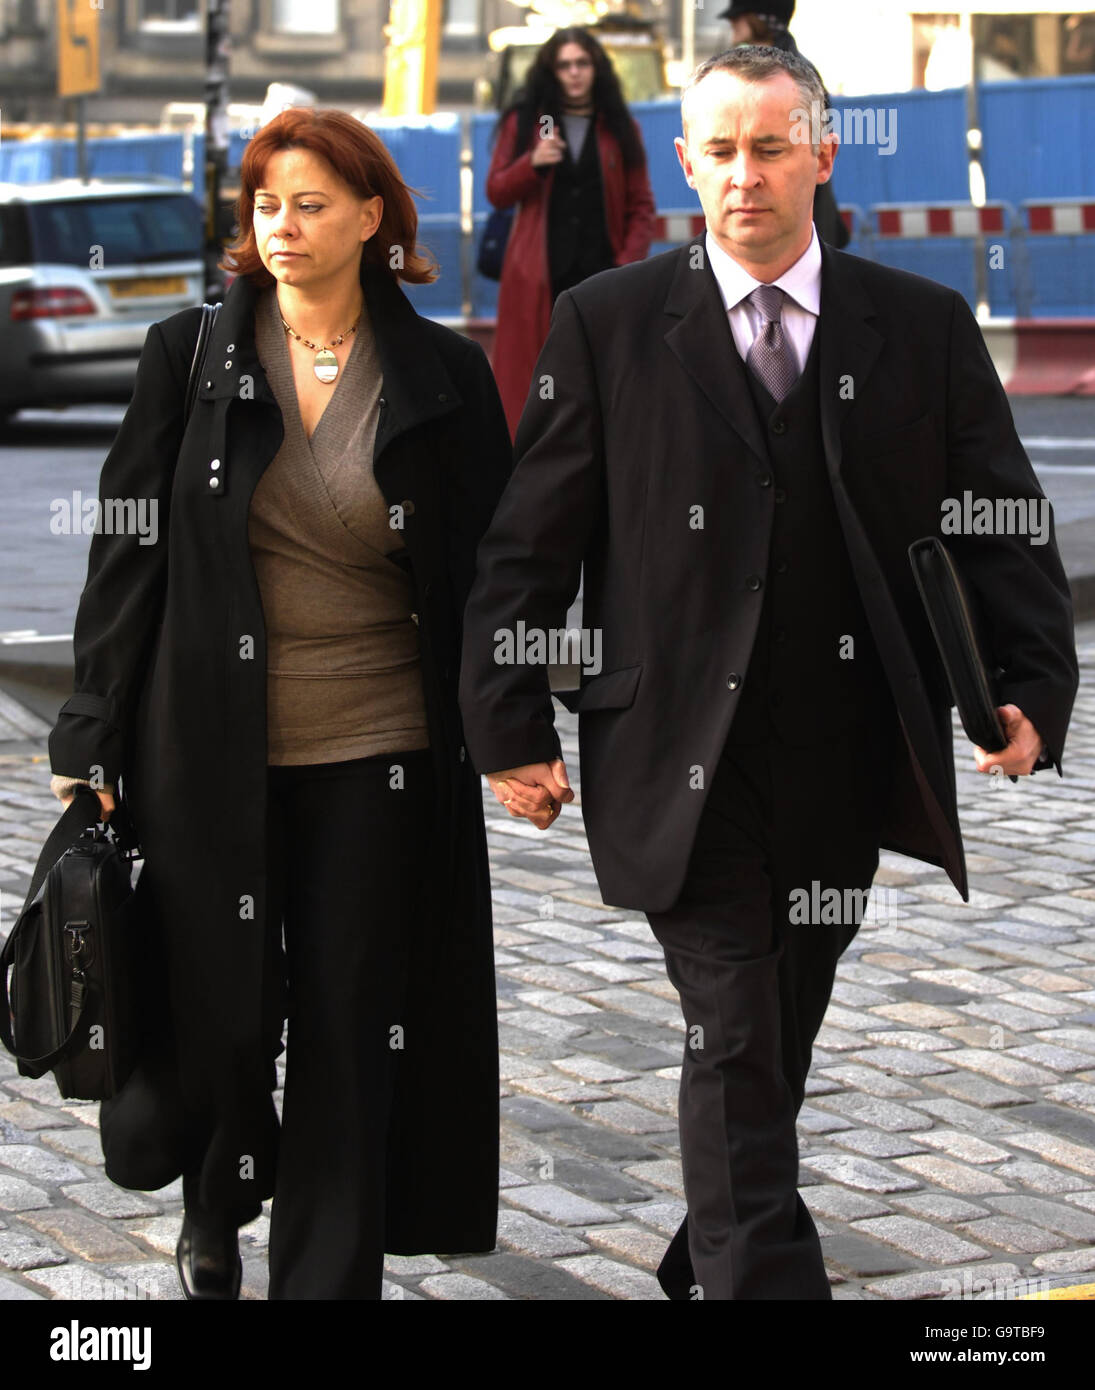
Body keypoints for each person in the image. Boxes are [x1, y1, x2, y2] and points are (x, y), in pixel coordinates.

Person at [457, 45, 1078, 1299]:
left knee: (776, 1026)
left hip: (850, 752)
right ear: (686, 163)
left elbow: (999, 519)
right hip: (675, 752)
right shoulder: (610, 325)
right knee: (736, 1025)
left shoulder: (917, 325)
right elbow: (530, 540)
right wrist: (507, 718)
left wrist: (1032, 688)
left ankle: (713, 1245)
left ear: (822, 154)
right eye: (720, 151)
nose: (745, 175)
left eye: (771, 146)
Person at [47, 106, 511, 1300]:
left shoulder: (445, 374)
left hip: (380, 746)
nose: (285, 226)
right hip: (205, 745)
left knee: (353, 1021)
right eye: (266, 205)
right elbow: (129, 550)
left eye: (312, 204)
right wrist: (90, 726)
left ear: (373, 219)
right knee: (226, 1005)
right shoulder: (188, 356)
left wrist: (515, 728)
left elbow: (490, 573)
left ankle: (324, 1280)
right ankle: (216, 1194)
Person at [486, 25, 656, 439]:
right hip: (538, 277)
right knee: (537, 379)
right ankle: (533, 461)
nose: (575, 73)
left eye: (582, 63)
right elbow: (497, 191)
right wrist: (533, 162)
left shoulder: (619, 126)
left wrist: (626, 265)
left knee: (603, 377)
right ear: (551, 71)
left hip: (603, 272)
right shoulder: (526, 122)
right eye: (565, 65)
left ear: (597, 68)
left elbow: (641, 205)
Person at [718, 1, 849, 250]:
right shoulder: (780, 71)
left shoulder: (794, 78)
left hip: (794, 232)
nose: (731, 23)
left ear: (761, 18)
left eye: (770, 151)